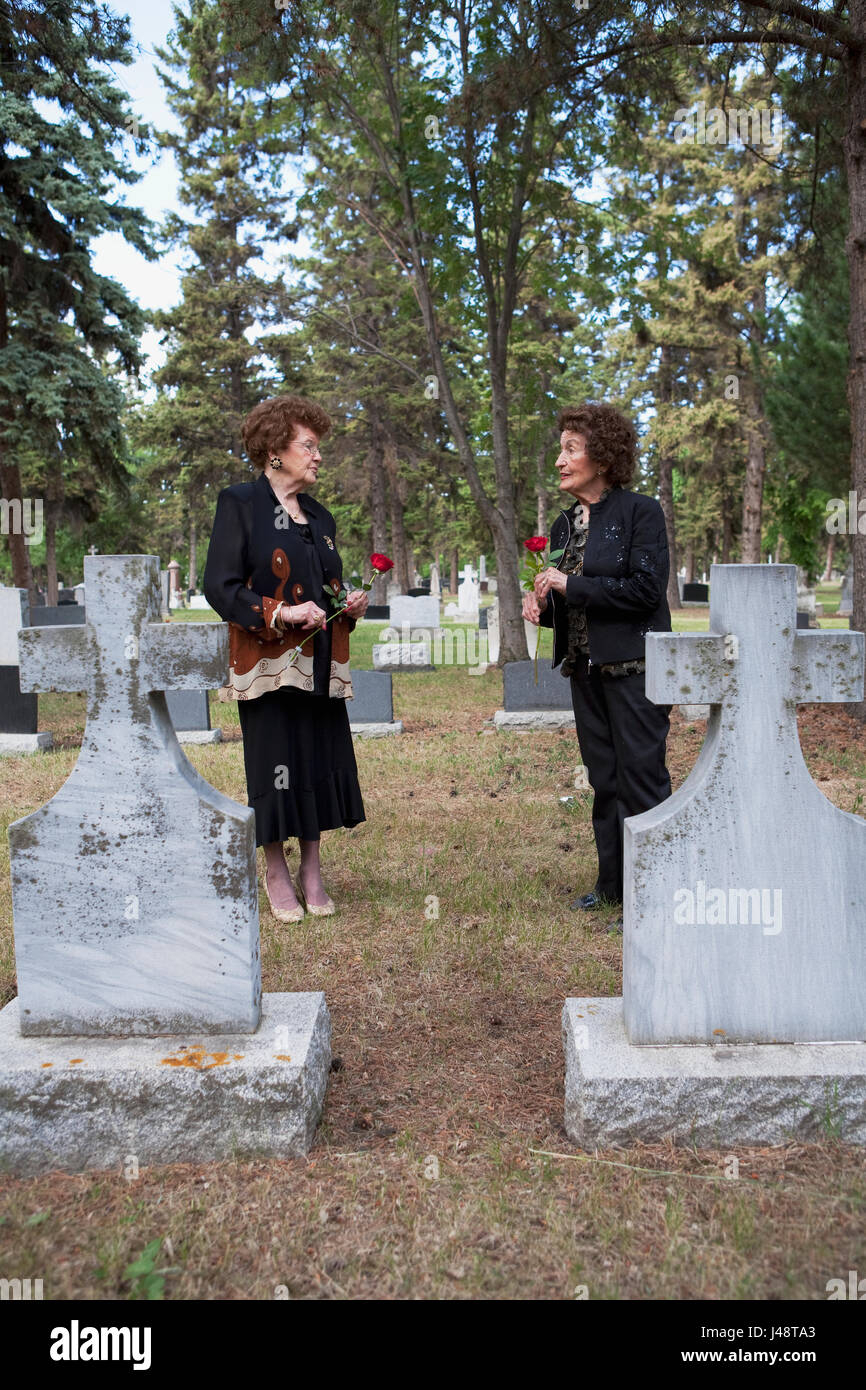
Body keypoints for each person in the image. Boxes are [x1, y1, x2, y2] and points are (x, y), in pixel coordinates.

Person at [203, 395, 368, 922]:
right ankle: (275, 868)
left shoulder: (320, 517)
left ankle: (312, 868)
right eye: (309, 446)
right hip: (268, 665)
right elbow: (221, 586)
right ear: (275, 451)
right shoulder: (241, 502)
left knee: (317, 757)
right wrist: (280, 614)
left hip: (319, 662)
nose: (318, 457)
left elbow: (328, 584)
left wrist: (349, 600)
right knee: (276, 763)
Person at [523, 403, 672, 912]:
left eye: (570, 449)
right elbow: (576, 604)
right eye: (560, 449)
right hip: (584, 671)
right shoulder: (565, 525)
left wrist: (571, 584)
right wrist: (544, 606)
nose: (560, 460)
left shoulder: (640, 513)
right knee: (604, 780)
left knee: (641, 778)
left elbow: (645, 591)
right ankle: (612, 887)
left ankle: (653, 892)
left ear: (602, 459)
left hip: (635, 671)